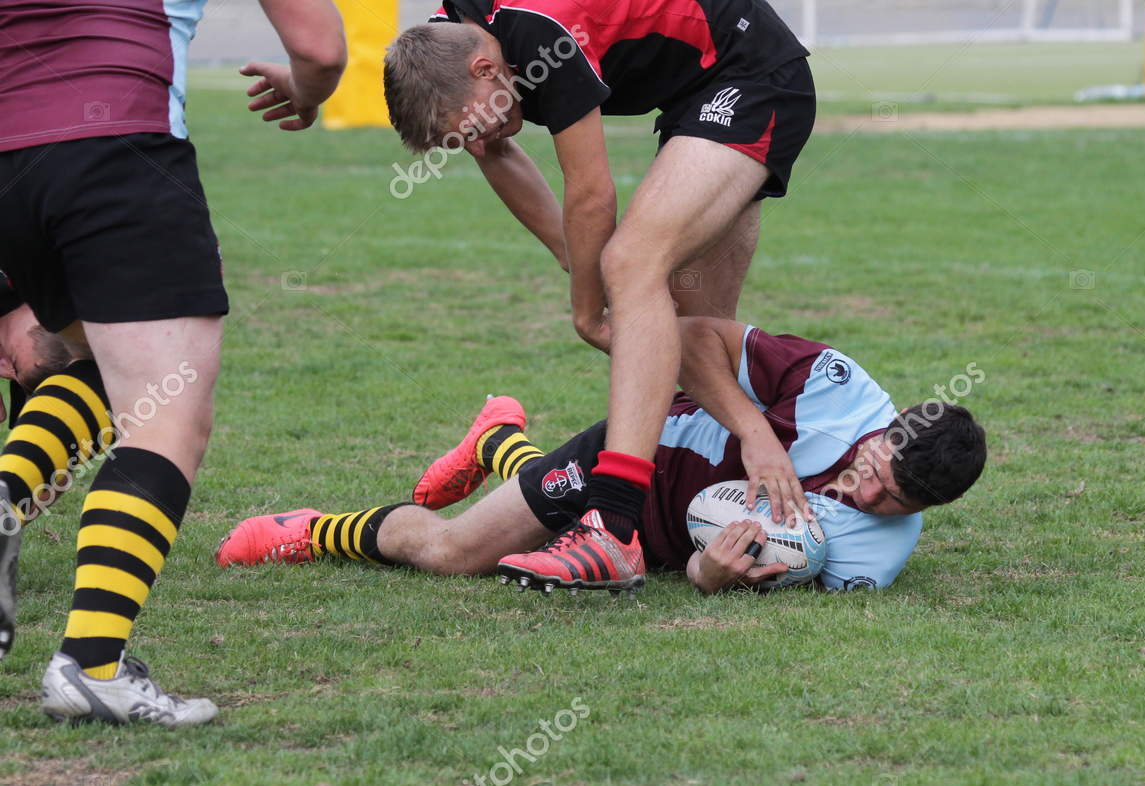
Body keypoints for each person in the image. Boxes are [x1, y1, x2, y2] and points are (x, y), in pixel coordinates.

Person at [382, 1, 816, 591]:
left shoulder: (536, 35)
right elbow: (495, 150)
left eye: (468, 122)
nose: (472, 138)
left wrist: (589, 308)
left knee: (634, 264)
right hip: (693, 95)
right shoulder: (454, 41)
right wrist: (576, 261)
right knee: (693, 330)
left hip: (753, 73)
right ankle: (723, 490)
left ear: (486, 70)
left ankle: (614, 526)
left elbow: (590, 194)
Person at [0, 0, 347, 725]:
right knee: (167, 402)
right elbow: (320, 48)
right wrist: (307, 95)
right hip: (115, 143)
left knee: (100, 360)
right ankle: (92, 664)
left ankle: (7, 496)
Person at [215, 319, 986, 595]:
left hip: (654, 543)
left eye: (892, 503)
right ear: (887, 429)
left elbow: (703, 576)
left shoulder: (869, 563)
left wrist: (707, 576)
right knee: (455, 554)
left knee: (542, 535)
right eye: (873, 470)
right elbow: (688, 334)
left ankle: (494, 441)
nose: (864, 495)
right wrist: (753, 431)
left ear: (924, 513)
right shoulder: (832, 387)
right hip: (631, 457)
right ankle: (315, 530)